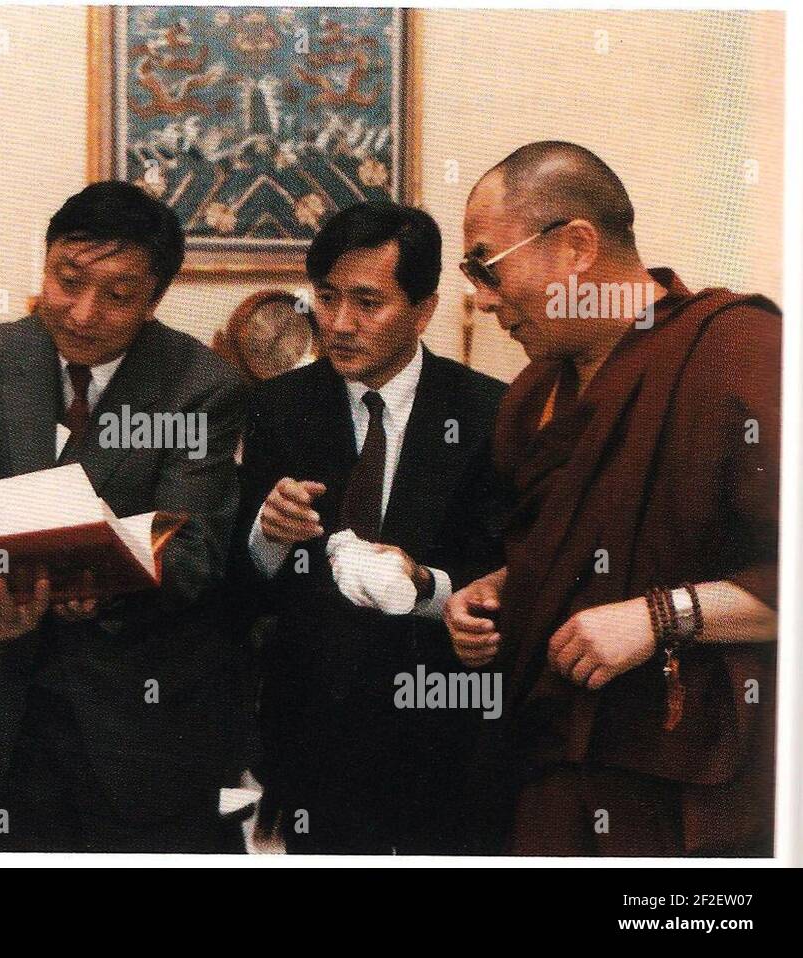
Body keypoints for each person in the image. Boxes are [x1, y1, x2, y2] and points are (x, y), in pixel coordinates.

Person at [449, 141, 779, 855]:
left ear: (576, 246)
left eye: (486, 266)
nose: (482, 297)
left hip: (689, 786)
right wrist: (499, 591)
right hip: (551, 776)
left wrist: (663, 617)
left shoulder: (737, 351)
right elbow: (576, 549)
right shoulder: (531, 398)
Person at [0, 181, 249, 852]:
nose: (83, 314)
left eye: (118, 296)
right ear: (46, 264)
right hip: (12, 710)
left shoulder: (199, 386)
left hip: (142, 724)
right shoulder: (0, 355)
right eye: (67, 281)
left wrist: (95, 577)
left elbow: (194, 553)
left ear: (153, 301)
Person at [234, 201, 507, 854]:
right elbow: (240, 596)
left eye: (368, 302)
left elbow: (504, 572)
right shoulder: (278, 408)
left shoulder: (489, 413)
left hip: (445, 737)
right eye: (326, 299)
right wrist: (268, 537)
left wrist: (425, 585)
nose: (340, 325)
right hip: (313, 740)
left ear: (424, 309)